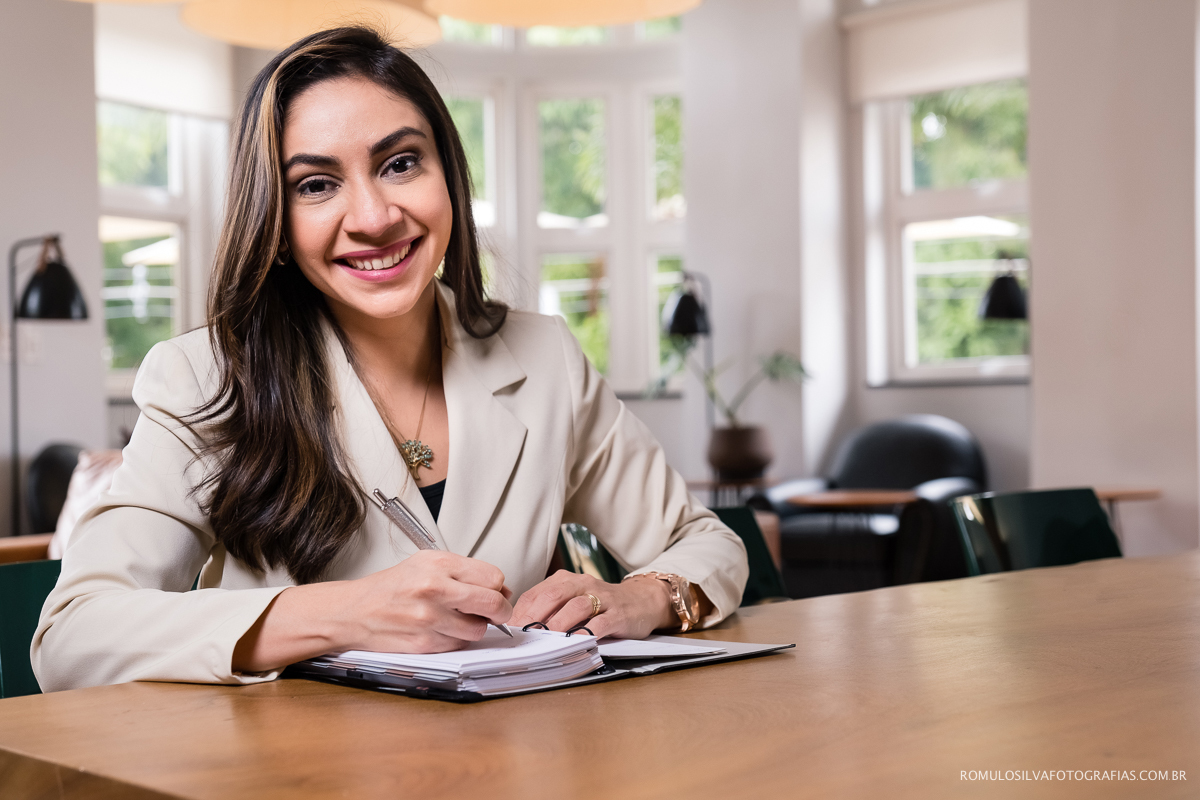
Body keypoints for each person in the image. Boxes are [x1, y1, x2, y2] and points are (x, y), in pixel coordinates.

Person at [32, 27, 747, 692]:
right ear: (275, 224)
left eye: (400, 163)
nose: (373, 217)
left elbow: (703, 541)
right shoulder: (207, 377)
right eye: (316, 184)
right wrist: (345, 614)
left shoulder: (546, 357)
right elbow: (73, 636)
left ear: (449, 177)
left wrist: (643, 596)